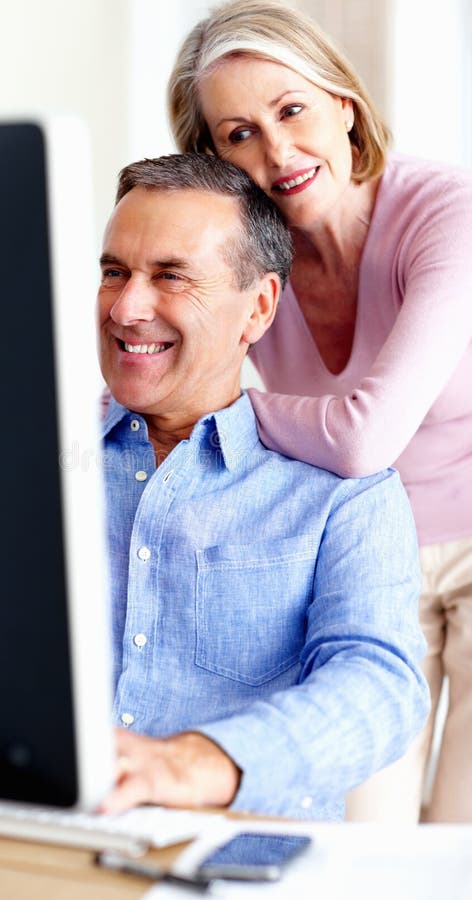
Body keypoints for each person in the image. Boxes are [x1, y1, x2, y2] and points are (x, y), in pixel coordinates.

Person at [167, 0, 472, 824]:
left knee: (459, 840)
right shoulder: (249, 257)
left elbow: (366, 435)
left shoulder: (448, 213)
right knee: (362, 838)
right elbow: (173, 371)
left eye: (292, 109)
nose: (276, 151)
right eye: (238, 134)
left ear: (344, 103)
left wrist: (231, 414)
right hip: (370, 555)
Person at [96, 151, 428, 820]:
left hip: (238, 863)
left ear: (259, 307)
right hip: (25, 849)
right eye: (114, 272)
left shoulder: (344, 495)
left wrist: (203, 762)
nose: (128, 308)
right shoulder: (31, 462)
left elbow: (380, 684)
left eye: (170, 276)